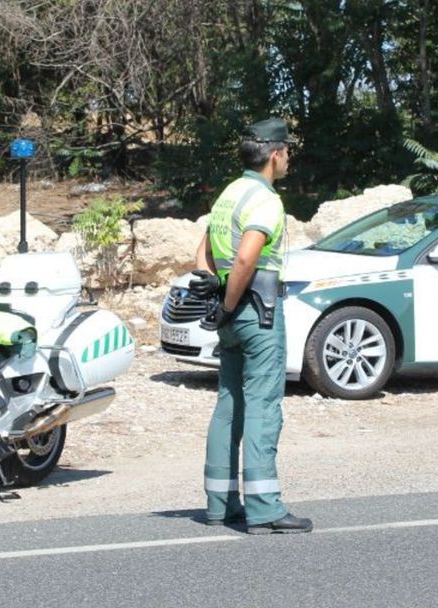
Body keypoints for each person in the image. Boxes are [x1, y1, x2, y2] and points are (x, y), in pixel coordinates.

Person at [189, 118, 313, 534]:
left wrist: (219, 296)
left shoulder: (229, 194)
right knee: (263, 405)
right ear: (274, 154)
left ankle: (220, 504)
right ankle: (264, 508)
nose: (289, 157)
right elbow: (246, 257)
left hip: (231, 317)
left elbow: (202, 255)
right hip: (258, 313)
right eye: (287, 150)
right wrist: (228, 303)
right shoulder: (265, 199)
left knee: (229, 405)